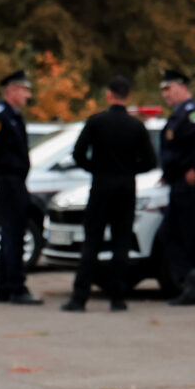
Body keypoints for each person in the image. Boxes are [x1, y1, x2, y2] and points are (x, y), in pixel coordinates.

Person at [63, 76, 158, 313]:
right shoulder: (136, 126)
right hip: (126, 188)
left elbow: (78, 153)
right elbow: (150, 161)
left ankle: (79, 297)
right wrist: (129, 170)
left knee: (91, 242)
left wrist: (94, 167)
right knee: (121, 243)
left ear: (108, 95)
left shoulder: (96, 122)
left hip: (101, 187)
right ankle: (118, 298)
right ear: (127, 96)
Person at [0, 70, 41, 305]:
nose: (28, 95)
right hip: (8, 181)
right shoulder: (0, 117)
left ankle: (5, 287)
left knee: (11, 234)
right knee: (14, 234)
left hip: (15, 180)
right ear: (12, 90)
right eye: (25, 90)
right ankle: (16, 287)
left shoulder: (13, 116)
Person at [154, 68, 195, 306]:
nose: (165, 94)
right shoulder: (179, 113)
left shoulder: (191, 112)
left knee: (190, 235)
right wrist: (169, 175)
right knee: (172, 233)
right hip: (180, 182)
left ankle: (193, 287)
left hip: (193, 184)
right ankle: (191, 280)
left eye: (168, 89)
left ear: (181, 86)